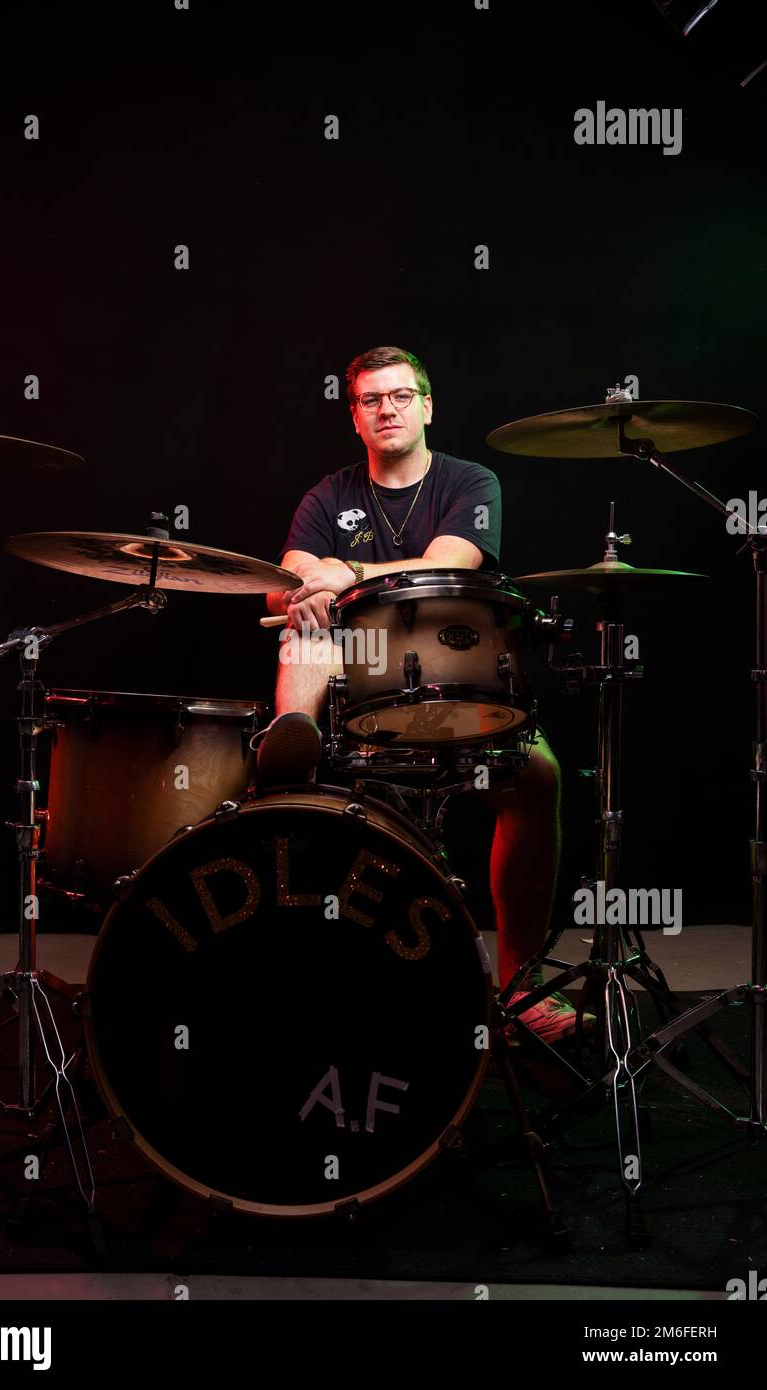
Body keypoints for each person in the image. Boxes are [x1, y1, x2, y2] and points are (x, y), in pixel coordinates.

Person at [261, 345, 588, 1042]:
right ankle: (291, 742)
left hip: (453, 672)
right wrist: (306, 588)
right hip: (355, 685)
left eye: (401, 396)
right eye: (371, 400)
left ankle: (520, 989)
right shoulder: (327, 495)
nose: (387, 409)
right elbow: (281, 582)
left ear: (427, 407)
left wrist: (344, 572)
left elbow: (450, 564)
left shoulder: (470, 482)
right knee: (305, 620)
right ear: (354, 416)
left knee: (540, 776)